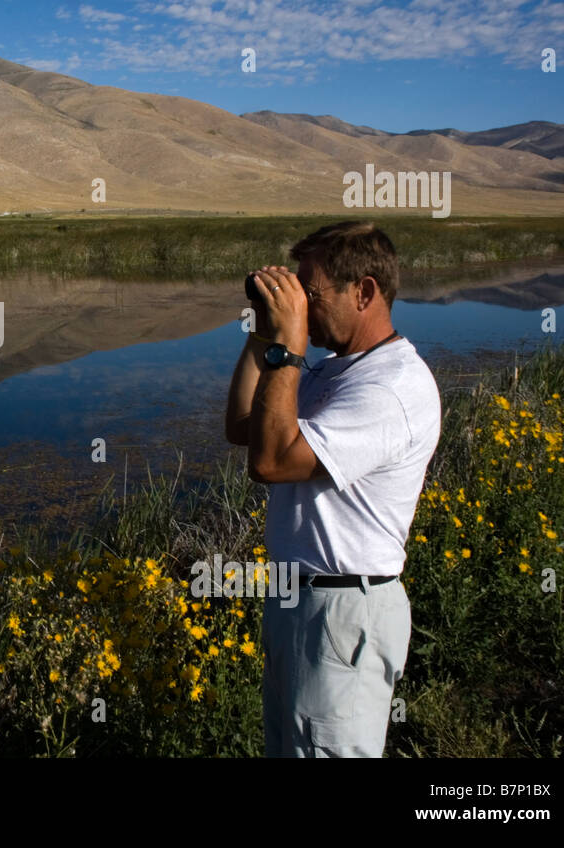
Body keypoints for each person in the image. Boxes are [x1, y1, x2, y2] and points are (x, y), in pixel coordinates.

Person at [223, 220, 441, 757]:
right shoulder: (336, 370)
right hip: (302, 605)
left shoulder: (390, 388)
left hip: (343, 614)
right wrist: (265, 335)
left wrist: (290, 347)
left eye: (310, 294)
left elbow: (271, 463)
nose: (302, 306)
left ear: (364, 291)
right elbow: (244, 426)